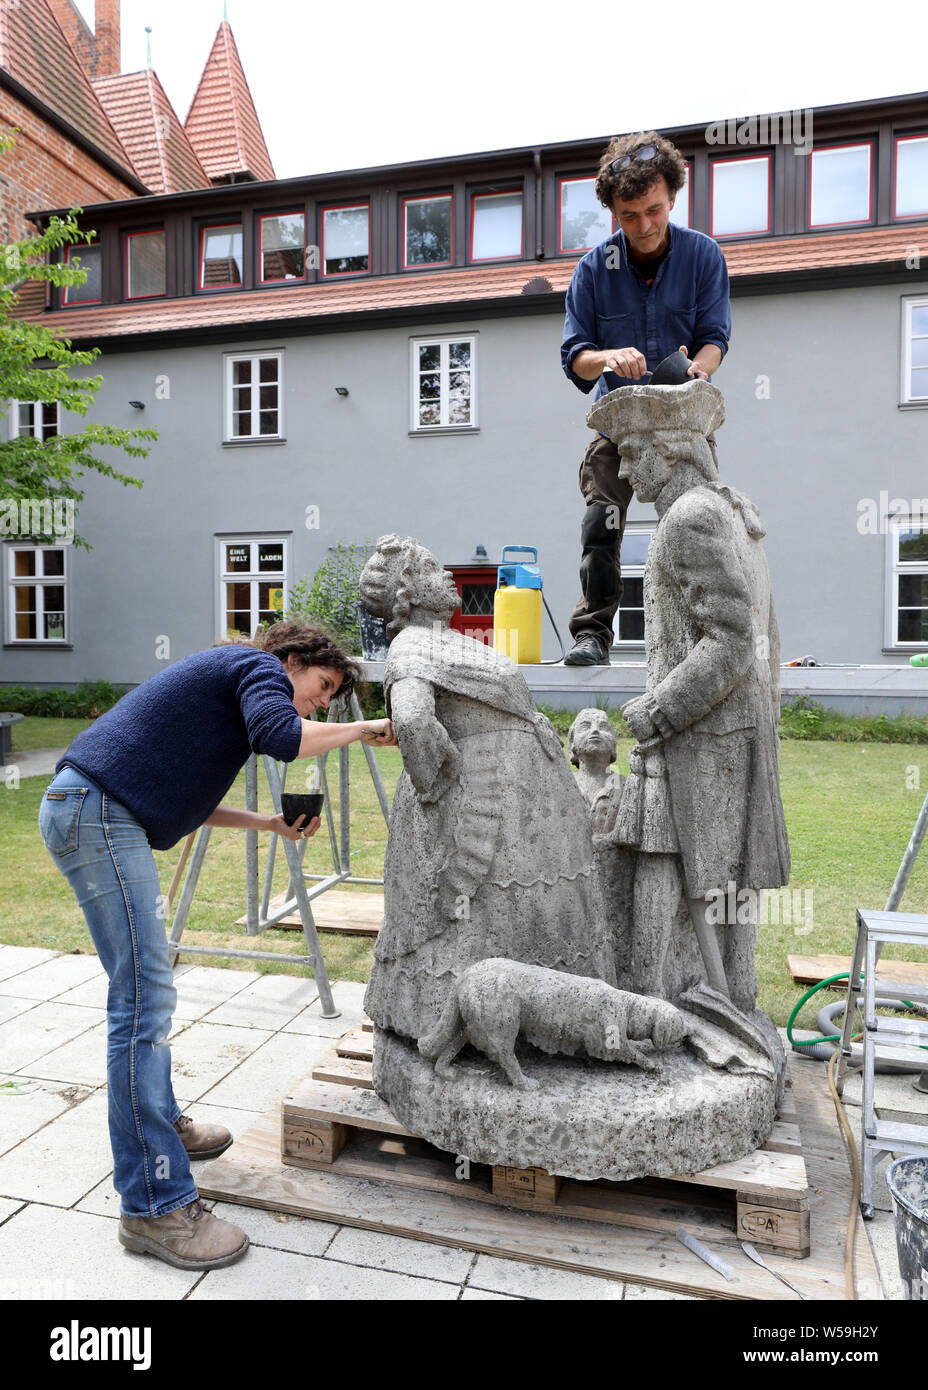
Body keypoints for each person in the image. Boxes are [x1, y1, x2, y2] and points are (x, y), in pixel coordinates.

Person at [38, 622, 396, 1271]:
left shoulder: (229, 687)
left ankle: (163, 1125)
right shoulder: (254, 669)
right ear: (292, 661)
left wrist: (263, 822)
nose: (318, 705)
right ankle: (153, 1205)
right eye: (321, 689)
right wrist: (367, 728)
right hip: (96, 812)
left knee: (144, 994)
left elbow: (180, 793)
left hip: (92, 806)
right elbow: (286, 740)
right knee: (143, 1003)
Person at [358, 535, 614, 1044]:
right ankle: (480, 1027)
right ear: (407, 586)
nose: (447, 573)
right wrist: (442, 775)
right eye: (431, 566)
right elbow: (409, 719)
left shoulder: (443, 639)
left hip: (523, 803)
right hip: (490, 801)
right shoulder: (412, 643)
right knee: (483, 922)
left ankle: (533, 1023)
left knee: (515, 919)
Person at [560, 130, 732, 665]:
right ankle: (592, 633)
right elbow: (574, 358)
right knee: (601, 522)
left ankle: (706, 635)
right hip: (620, 424)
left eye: (653, 210)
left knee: (696, 526)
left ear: (672, 197)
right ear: (614, 211)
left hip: (683, 424)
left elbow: (714, 339)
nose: (644, 225)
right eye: (629, 215)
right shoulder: (592, 270)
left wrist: (698, 371)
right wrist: (608, 357)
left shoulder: (704, 256)